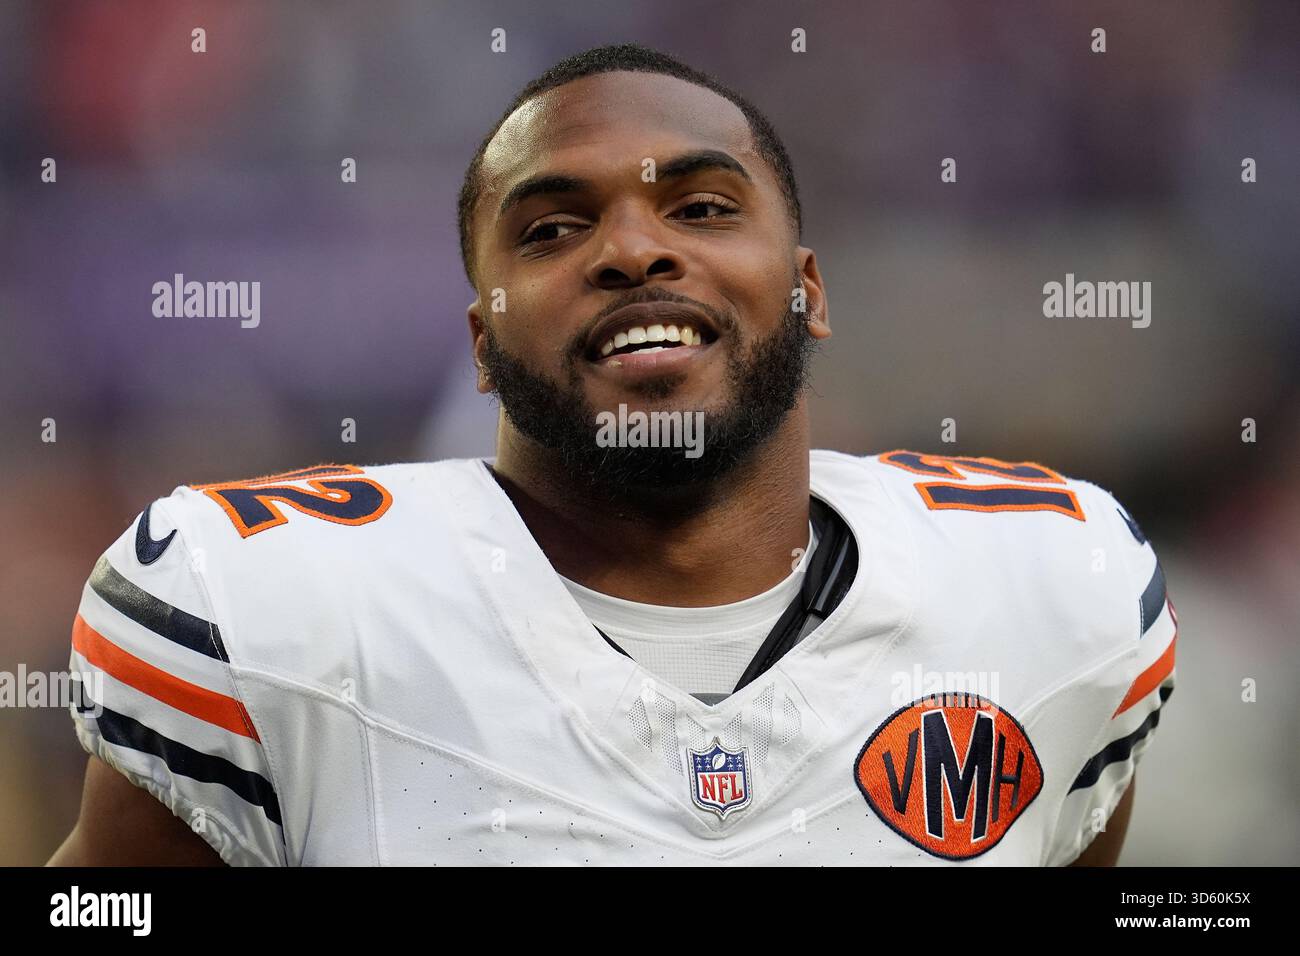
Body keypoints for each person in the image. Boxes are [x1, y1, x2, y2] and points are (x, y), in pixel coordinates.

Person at [49, 43, 1174, 866]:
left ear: (808, 291)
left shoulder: (1054, 595)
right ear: (482, 343)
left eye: (700, 206)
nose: (635, 249)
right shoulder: (262, 616)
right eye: (551, 229)